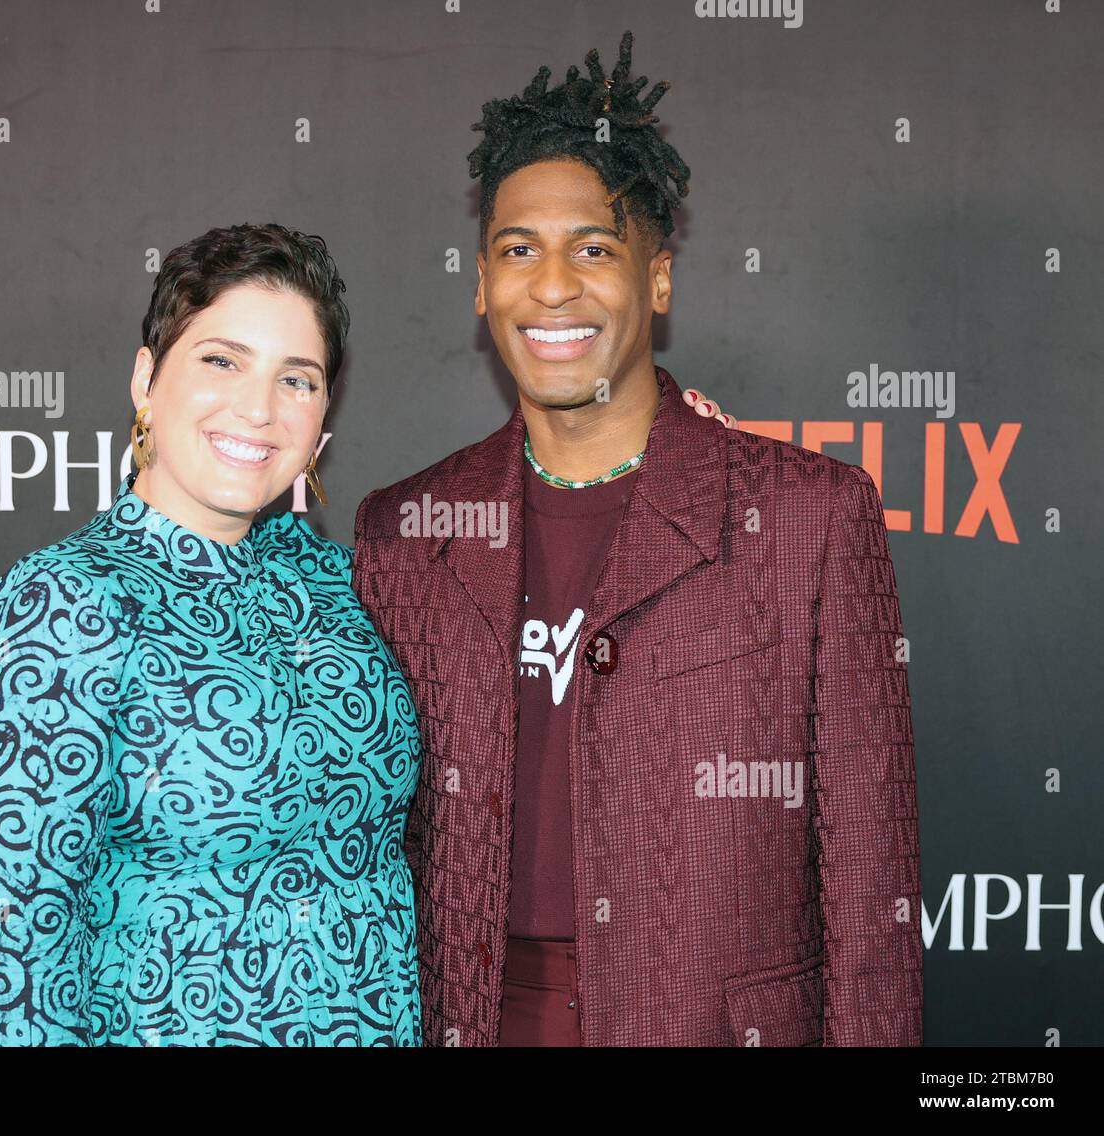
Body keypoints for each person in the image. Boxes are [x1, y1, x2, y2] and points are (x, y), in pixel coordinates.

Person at [352, 31, 923, 1046]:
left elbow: (872, 872)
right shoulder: (402, 532)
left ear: (657, 280)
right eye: (518, 249)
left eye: (594, 249)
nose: (553, 284)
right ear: (480, 285)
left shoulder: (809, 516)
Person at [0, 223, 426, 1045]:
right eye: (222, 360)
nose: (258, 408)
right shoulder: (59, 608)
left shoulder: (344, 586)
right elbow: (18, 966)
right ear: (145, 377)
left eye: (297, 380)